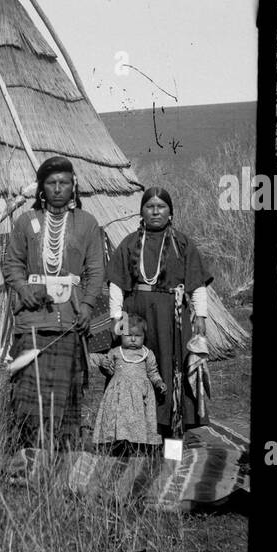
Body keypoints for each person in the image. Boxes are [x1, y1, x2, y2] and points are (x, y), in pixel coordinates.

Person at [1, 156, 105, 472]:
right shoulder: (25, 222)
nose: (58, 188)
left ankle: (62, 461)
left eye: (64, 182)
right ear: (42, 188)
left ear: (74, 186)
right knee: (28, 391)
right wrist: (24, 290)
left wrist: (87, 306)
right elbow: (12, 263)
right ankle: (27, 458)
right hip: (33, 320)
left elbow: (95, 270)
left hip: (69, 320)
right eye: (51, 183)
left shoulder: (87, 224)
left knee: (66, 391)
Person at [107, 187, 213, 439]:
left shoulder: (182, 243)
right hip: (136, 317)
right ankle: (132, 432)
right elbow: (116, 283)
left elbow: (196, 283)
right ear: (142, 212)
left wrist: (200, 316)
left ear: (170, 212)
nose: (155, 211)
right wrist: (116, 316)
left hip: (171, 319)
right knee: (133, 366)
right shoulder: (129, 243)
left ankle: (171, 431)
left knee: (171, 369)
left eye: (161, 206)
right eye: (150, 206)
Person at [87, 312, 166, 452]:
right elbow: (109, 371)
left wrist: (159, 382)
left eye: (138, 336)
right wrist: (105, 365)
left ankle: (139, 446)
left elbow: (153, 372)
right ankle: (118, 445)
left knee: (139, 419)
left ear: (144, 336)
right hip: (119, 394)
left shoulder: (147, 354)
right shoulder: (115, 352)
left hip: (140, 395)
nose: (133, 339)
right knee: (118, 418)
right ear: (121, 335)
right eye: (129, 336)